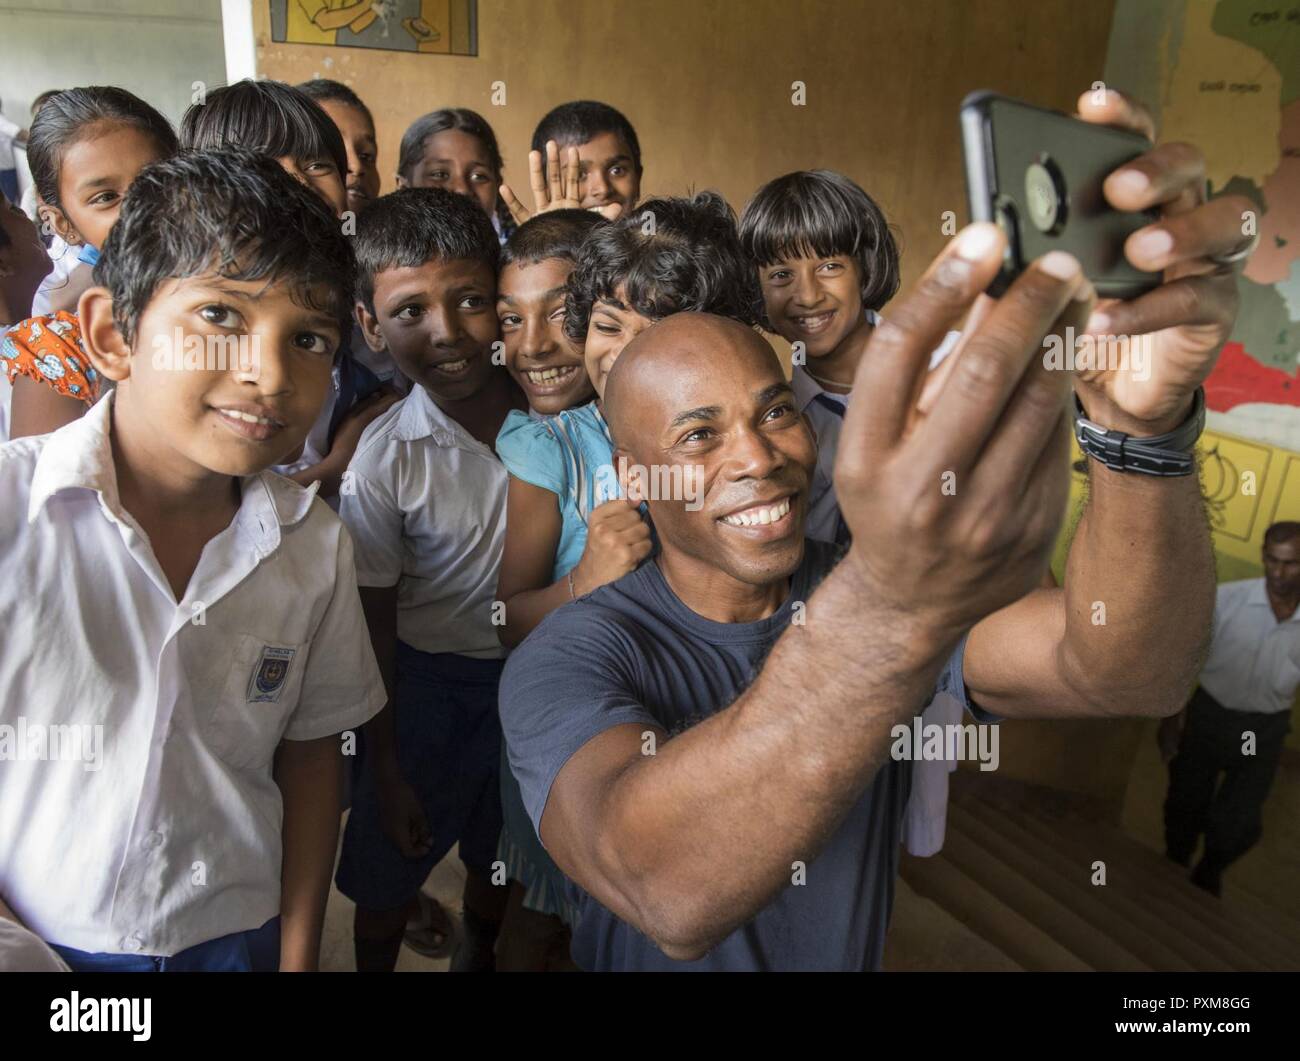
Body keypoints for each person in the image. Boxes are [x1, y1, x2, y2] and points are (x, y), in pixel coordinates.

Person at [498, 89, 1248, 971]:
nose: (758, 457)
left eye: (774, 412)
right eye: (699, 435)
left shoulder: (854, 590)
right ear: (634, 473)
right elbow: (667, 889)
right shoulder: (571, 654)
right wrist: (897, 605)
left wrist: (1142, 436)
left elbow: (1132, 666)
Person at [0, 150, 384, 971]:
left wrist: (297, 950)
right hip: (37, 934)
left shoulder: (313, 547)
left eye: (309, 337)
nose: (269, 374)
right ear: (112, 334)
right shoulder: (12, 517)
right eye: (220, 317)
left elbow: (314, 753)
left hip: (231, 933)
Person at [333, 187, 526, 972]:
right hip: (421, 694)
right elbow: (371, 624)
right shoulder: (385, 457)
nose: (448, 333)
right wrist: (384, 764)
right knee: (386, 871)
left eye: (473, 300)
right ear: (371, 326)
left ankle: (480, 950)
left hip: (529, 678)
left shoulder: (554, 419)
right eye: (410, 311)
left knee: (501, 853)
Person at [495, 190, 759, 648]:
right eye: (609, 326)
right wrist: (586, 577)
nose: (625, 356)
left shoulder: (744, 446)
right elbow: (508, 622)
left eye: (658, 331)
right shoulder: (554, 452)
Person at [179, 78, 401, 501]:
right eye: (267, 164)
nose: (299, 182)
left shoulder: (360, 297)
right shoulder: (197, 327)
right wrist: (337, 468)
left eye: (317, 164)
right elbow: (210, 508)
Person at [10, 87, 178, 439]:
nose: (141, 209)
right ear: (63, 224)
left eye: (158, 181)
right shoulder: (58, 354)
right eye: (105, 198)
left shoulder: (245, 305)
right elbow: (53, 492)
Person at [1162, 520, 1300, 896]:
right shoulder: (1226, 600)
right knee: (1185, 803)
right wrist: (1171, 720)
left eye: (1290, 563)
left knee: (1240, 819)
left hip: (1261, 731)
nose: (1278, 572)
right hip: (1210, 717)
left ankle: (1209, 873)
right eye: (1271, 560)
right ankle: (1173, 867)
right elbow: (1184, 658)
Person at [395, 108, 516, 244]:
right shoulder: (381, 258)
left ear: (498, 185)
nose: (462, 189)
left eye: (478, 176)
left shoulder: (518, 260)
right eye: (440, 174)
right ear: (404, 188)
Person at [519, 100, 641, 218]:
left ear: (638, 177)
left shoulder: (656, 236)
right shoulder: (539, 239)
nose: (603, 189)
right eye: (578, 175)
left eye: (617, 170)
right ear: (547, 190)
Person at [0, 95, 30, 204]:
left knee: (7, 204)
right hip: (4, 171)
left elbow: (19, 133)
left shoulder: (1, 121)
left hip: (5, 172)